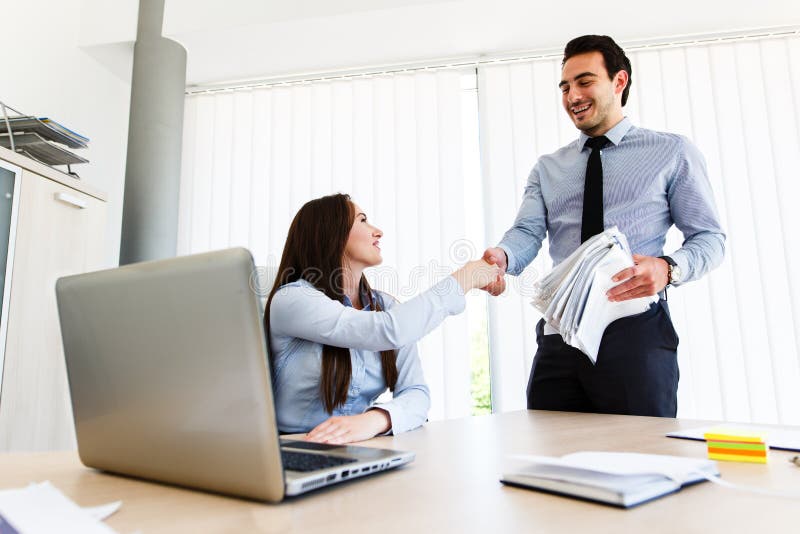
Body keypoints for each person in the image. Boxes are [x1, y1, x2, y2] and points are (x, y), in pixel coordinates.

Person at [482, 35, 725, 417]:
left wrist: (668, 268)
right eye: (564, 87)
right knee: (552, 458)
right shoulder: (548, 168)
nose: (572, 95)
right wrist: (502, 256)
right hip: (561, 335)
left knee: (641, 457)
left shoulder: (672, 152)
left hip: (635, 331)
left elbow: (710, 238)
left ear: (619, 81)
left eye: (584, 81)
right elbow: (527, 233)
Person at [265, 193, 500, 444]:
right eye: (363, 220)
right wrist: (465, 278)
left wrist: (375, 419)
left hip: (361, 447)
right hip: (295, 448)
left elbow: (416, 394)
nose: (378, 231)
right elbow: (387, 331)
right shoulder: (292, 299)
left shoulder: (386, 306)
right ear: (330, 232)